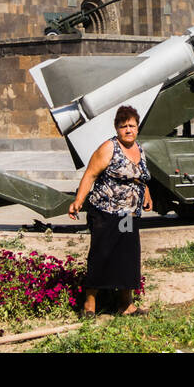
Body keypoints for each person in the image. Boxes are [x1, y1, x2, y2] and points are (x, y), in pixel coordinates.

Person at [69, 105, 152, 316]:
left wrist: (147, 194)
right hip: (105, 212)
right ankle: (90, 304)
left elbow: (140, 177)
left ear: (137, 127)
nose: (128, 130)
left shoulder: (139, 150)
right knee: (101, 255)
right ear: (116, 128)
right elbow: (90, 175)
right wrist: (78, 200)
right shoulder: (109, 148)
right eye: (123, 126)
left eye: (132, 126)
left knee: (127, 255)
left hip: (127, 215)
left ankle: (125, 304)